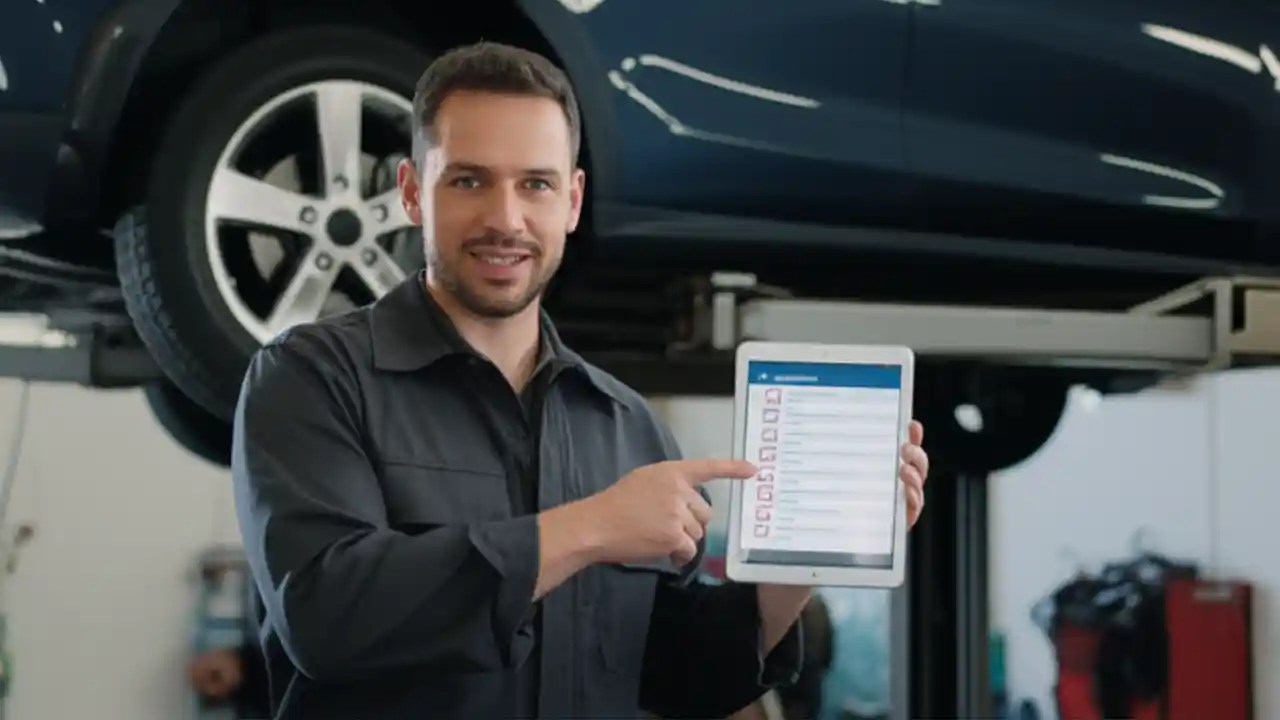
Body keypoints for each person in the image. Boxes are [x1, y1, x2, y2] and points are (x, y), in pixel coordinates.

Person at [230, 40, 930, 720]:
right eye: (469, 180)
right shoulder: (313, 379)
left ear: (571, 200)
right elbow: (326, 614)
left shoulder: (625, 426)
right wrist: (591, 526)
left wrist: (806, 554)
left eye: (535, 184)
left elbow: (682, 679)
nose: (506, 219)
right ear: (413, 192)